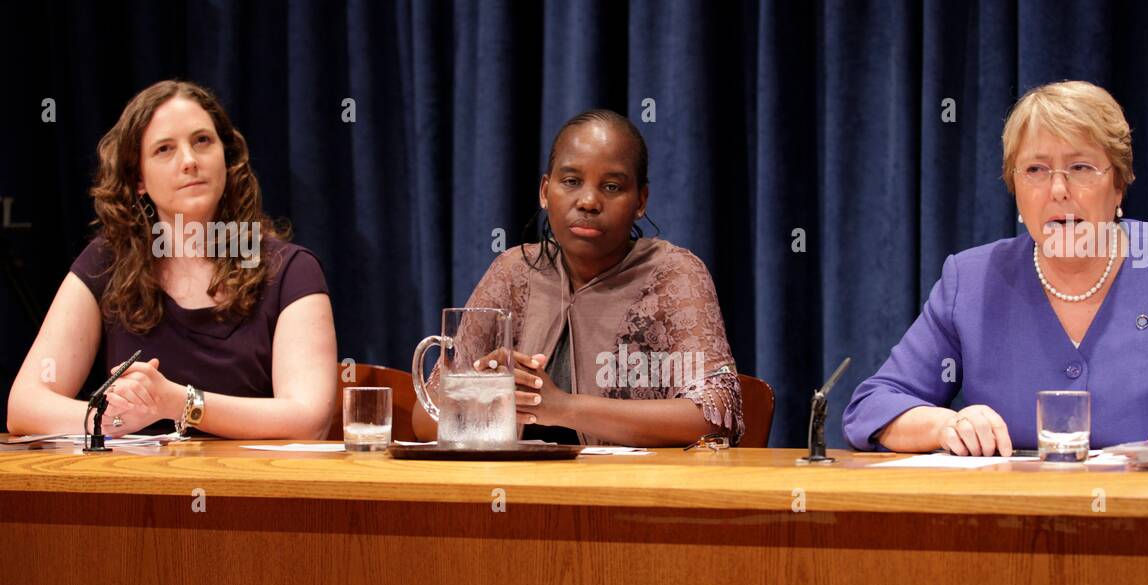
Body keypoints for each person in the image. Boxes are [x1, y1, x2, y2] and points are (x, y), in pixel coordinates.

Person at [843, 80, 1148, 455]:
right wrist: (946, 424)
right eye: (1035, 170)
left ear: (1118, 185)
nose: (1058, 189)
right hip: (1014, 535)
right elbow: (874, 406)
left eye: (1081, 167)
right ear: (1014, 187)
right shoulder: (971, 279)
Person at [6, 80, 336, 439]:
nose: (190, 161)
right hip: (137, 488)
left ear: (227, 157)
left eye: (202, 141)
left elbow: (309, 418)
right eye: (165, 149)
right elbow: (24, 405)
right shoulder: (107, 261)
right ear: (138, 180)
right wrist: (110, 418)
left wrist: (179, 402)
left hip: (250, 488)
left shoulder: (290, 271)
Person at [412, 109, 743, 447]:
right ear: (545, 191)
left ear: (641, 200)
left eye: (612, 186)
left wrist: (564, 408)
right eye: (571, 181)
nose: (588, 201)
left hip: (631, 493)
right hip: (518, 493)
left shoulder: (674, 275)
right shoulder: (512, 272)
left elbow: (718, 415)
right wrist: (485, 394)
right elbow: (425, 420)